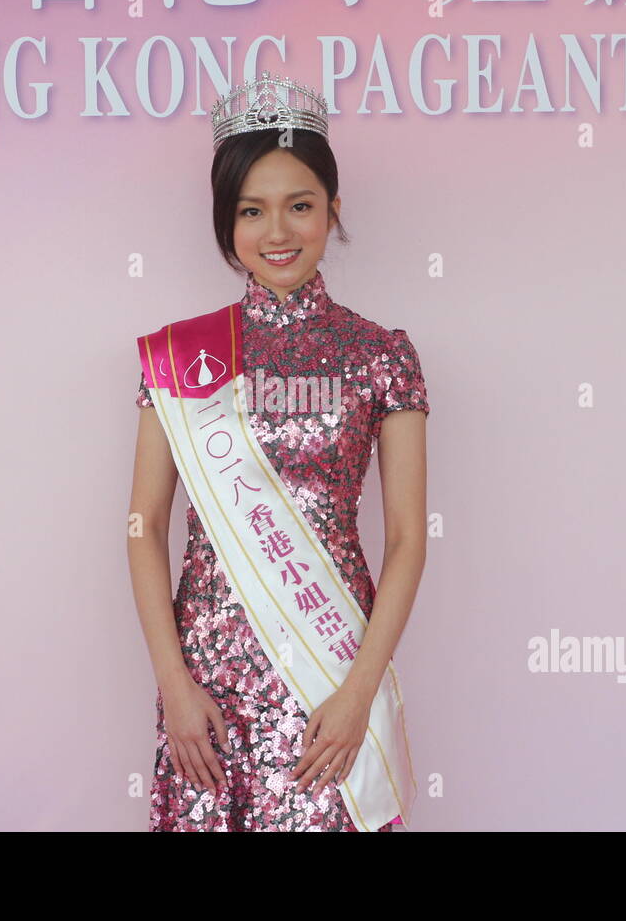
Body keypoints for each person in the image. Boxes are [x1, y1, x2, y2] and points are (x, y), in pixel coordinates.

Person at [127, 73, 429, 832]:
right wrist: (174, 684)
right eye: (251, 211)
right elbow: (144, 526)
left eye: (299, 205)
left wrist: (360, 693)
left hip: (331, 669)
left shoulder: (381, 356)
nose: (278, 232)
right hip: (208, 680)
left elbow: (405, 539)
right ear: (225, 221)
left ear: (333, 208)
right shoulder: (181, 359)